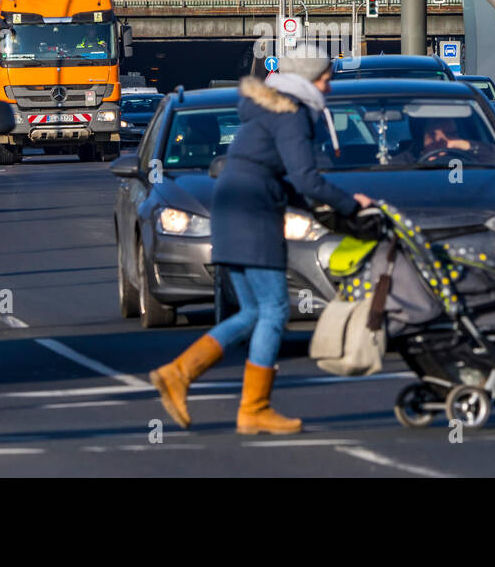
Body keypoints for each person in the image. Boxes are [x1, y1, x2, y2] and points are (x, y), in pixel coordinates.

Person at [149, 48, 373, 435]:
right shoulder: (292, 114)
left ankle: (181, 374)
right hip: (255, 215)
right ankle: (251, 406)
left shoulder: (266, 112)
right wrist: (352, 204)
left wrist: (320, 209)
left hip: (231, 209)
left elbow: (279, 178)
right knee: (273, 310)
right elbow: (305, 178)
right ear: (307, 81)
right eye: (324, 78)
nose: (328, 85)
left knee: (252, 312)